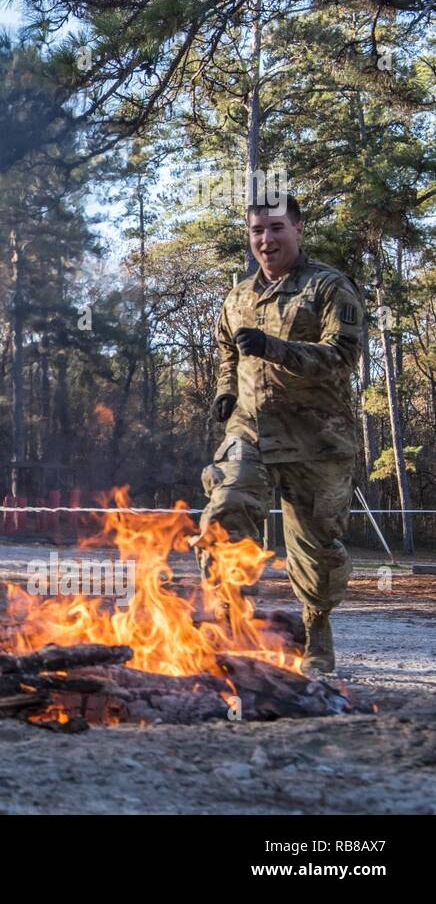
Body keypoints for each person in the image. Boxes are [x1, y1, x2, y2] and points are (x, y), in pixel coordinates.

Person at [194, 195, 363, 676]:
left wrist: (277, 349)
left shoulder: (329, 288)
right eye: (257, 232)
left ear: (298, 230)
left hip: (317, 438)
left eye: (275, 228)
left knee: (316, 547)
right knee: (226, 509)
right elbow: (228, 351)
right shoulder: (239, 296)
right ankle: (228, 617)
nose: (266, 240)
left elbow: (342, 358)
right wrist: (226, 391)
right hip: (249, 429)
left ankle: (317, 629)